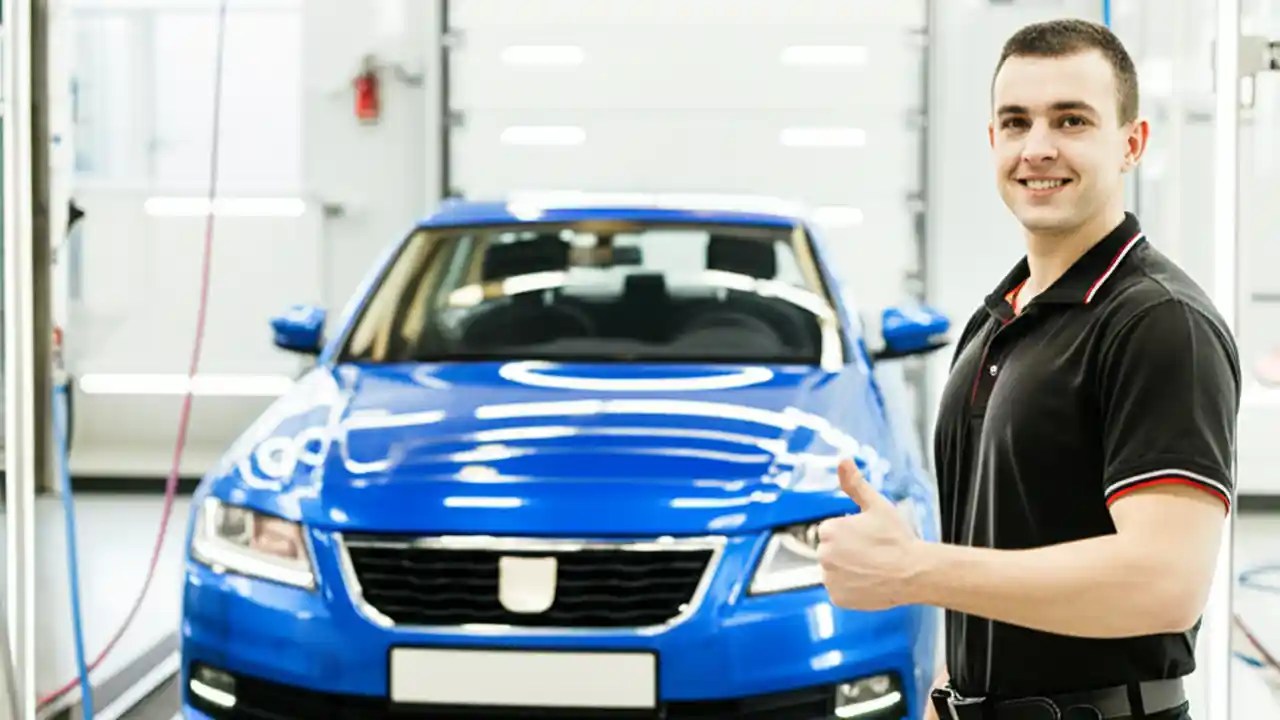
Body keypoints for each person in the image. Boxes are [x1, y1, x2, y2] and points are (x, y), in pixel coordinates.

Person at [817, 18, 1240, 720]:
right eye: (1016, 123)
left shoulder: (1160, 323)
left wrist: (914, 569)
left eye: (1071, 121)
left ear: (1131, 143)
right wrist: (943, 695)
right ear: (993, 142)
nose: (1037, 148)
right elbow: (987, 546)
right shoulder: (994, 324)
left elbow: (1164, 583)